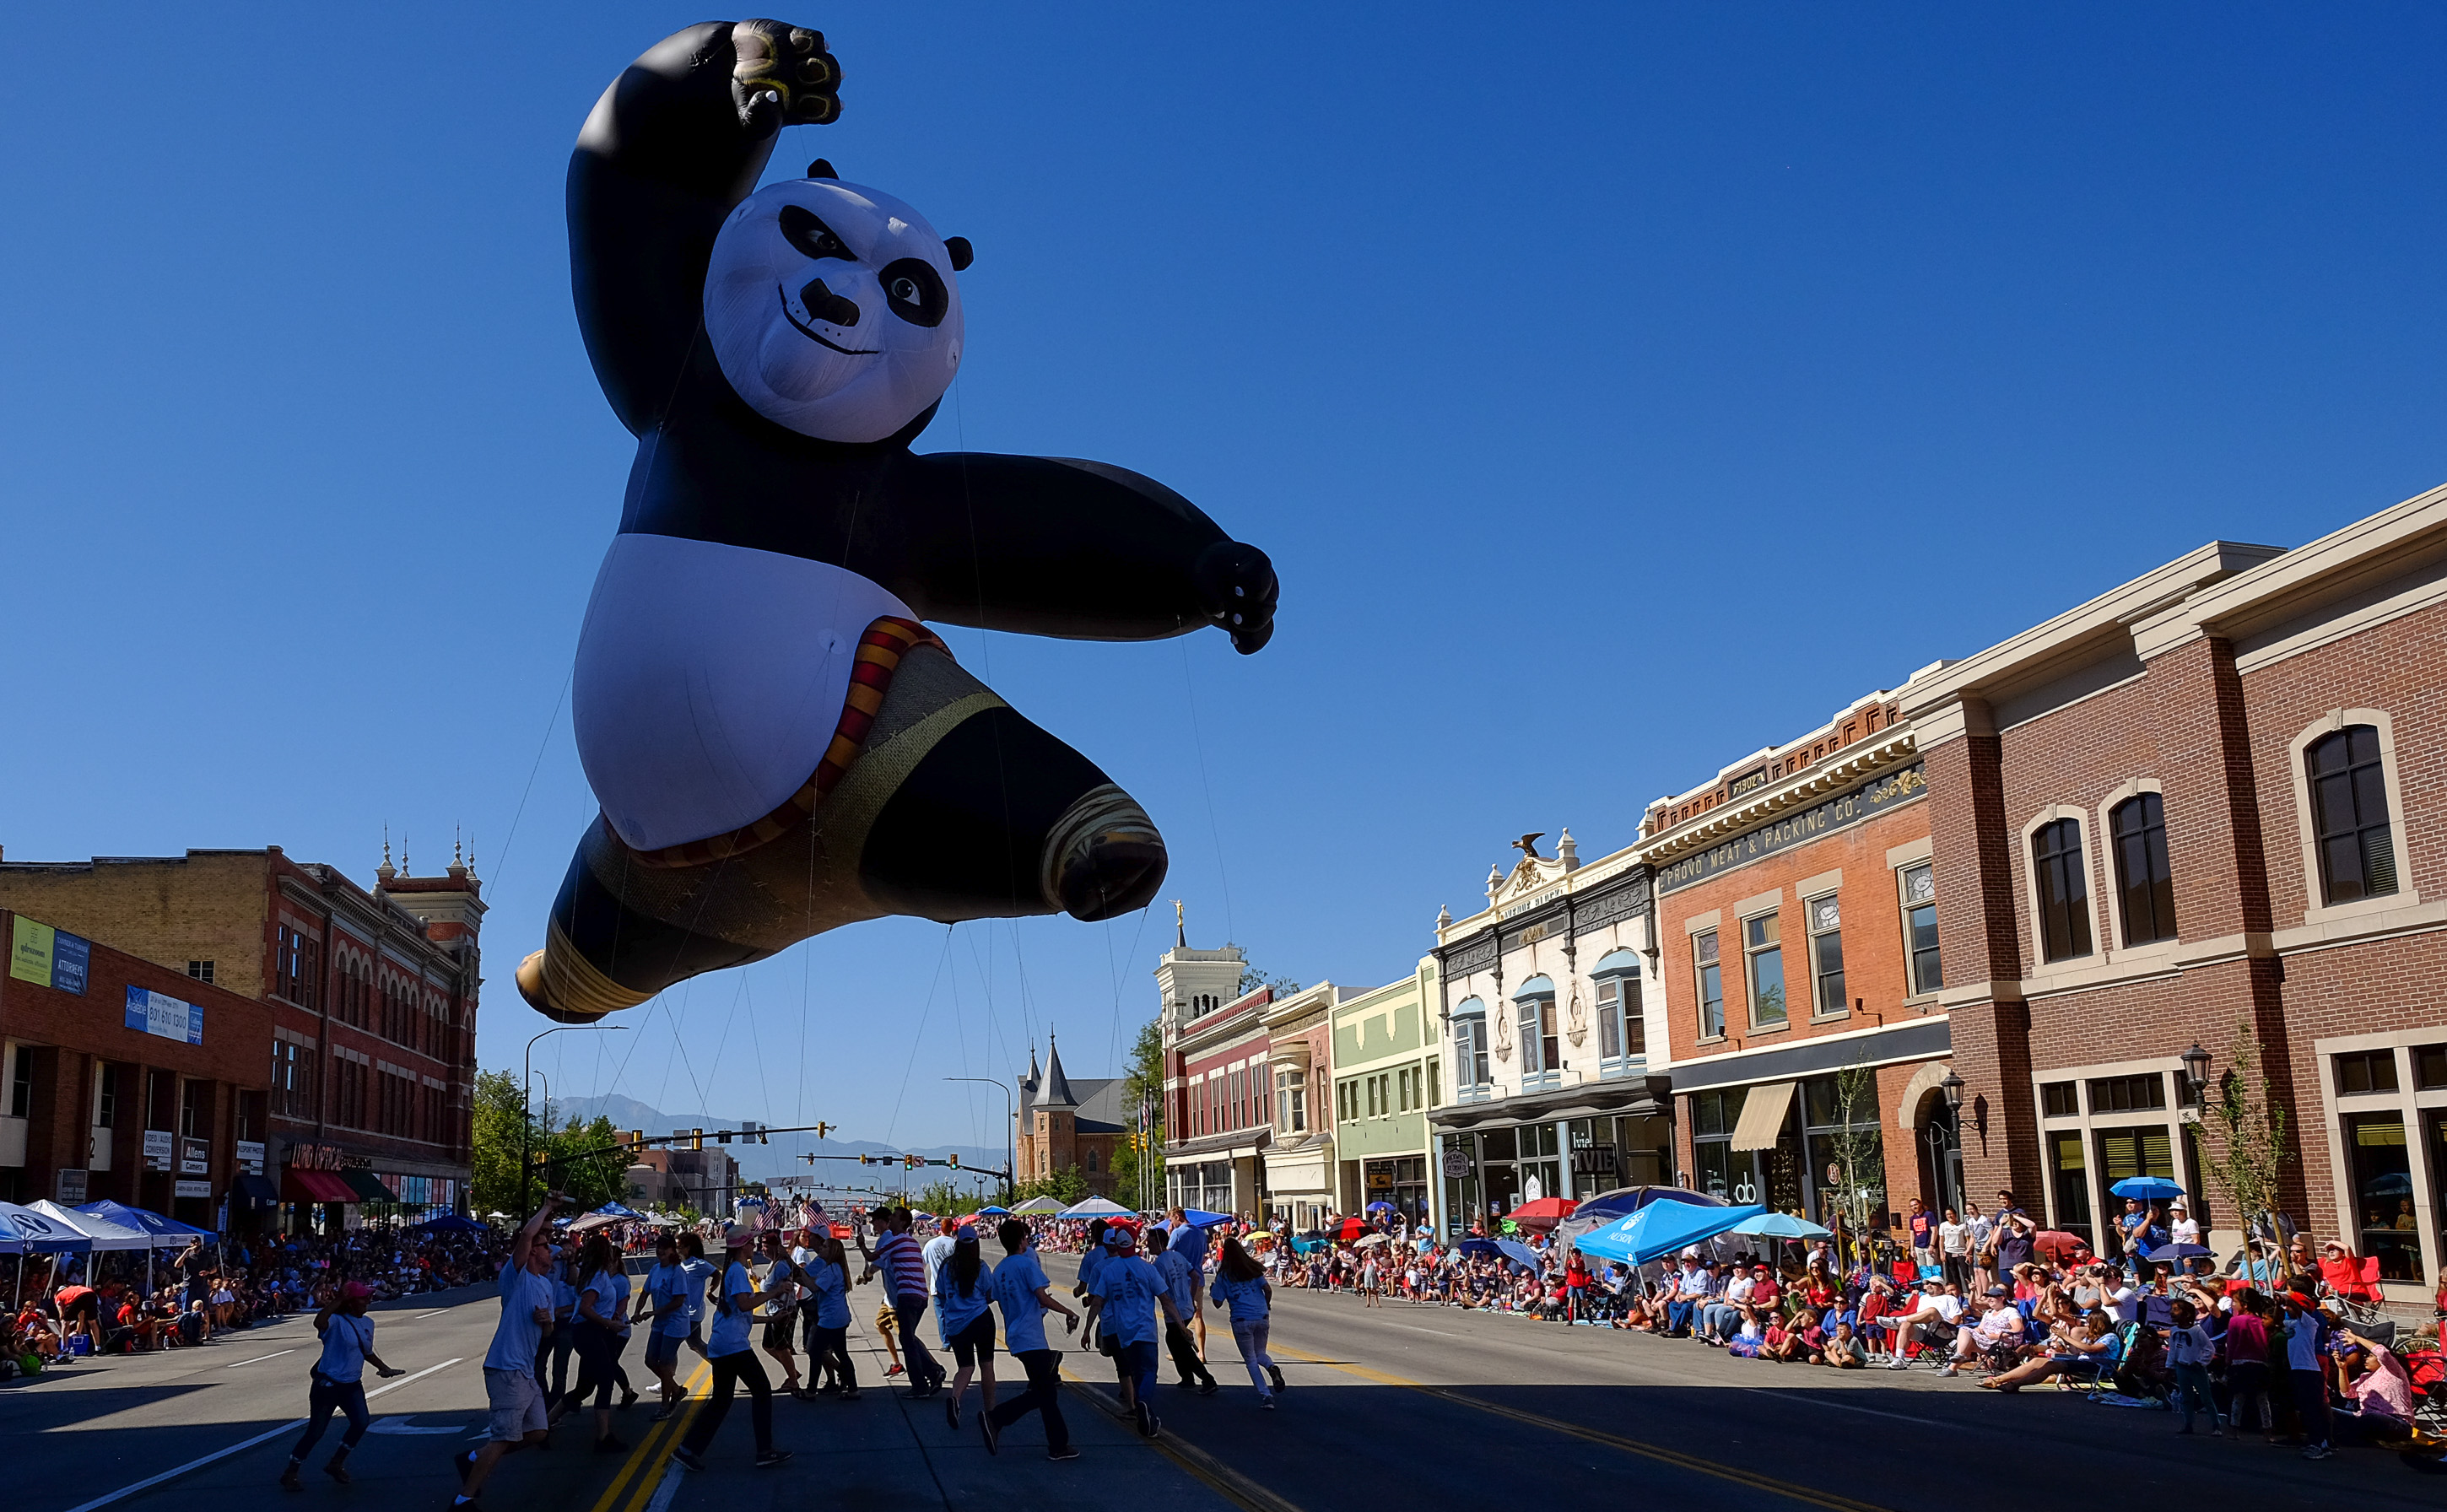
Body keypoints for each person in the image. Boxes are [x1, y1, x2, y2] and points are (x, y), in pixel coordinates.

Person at [452, 1195, 569, 1509]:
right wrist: (546, 1207)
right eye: (545, 1246)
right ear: (532, 1253)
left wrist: (545, 1323)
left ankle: (474, 1457)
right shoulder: (516, 1277)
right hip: (506, 1368)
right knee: (503, 1438)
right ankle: (464, 1499)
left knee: (538, 1432)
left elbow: (549, 1332)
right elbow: (527, 1235)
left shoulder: (545, 1285)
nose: (550, 1250)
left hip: (525, 1371)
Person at [670, 1226, 791, 1472]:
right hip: (733, 1346)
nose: (754, 1247)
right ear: (742, 1246)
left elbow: (737, 1313)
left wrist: (770, 1320)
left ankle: (687, 1449)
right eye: (751, 1243)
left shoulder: (733, 1271)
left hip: (723, 1343)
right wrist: (776, 1291)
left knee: (721, 1401)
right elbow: (745, 1304)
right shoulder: (736, 1271)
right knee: (762, 1390)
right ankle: (764, 1450)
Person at [278, 1282, 402, 1490]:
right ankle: (291, 1470)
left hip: (352, 1384)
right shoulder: (335, 1321)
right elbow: (319, 1322)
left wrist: (384, 1368)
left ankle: (336, 1462)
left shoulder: (368, 1323)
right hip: (328, 1385)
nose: (368, 1301)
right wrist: (338, 1301)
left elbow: (366, 1351)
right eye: (363, 1298)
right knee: (316, 1432)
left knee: (361, 1422)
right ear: (351, 1303)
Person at [981, 1218, 1078, 1458]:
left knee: (1044, 1391)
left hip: (1015, 1334)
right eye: (1025, 1236)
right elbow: (1042, 1298)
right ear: (1020, 1240)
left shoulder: (1000, 1269)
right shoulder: (1026, 1264)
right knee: (1043, 1392)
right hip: (1031, 1336)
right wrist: (1069, 1312)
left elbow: (989, 1297)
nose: (1028, 1240)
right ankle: (996, 1418)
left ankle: (1058, 1445)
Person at [1083, 1224, 1168, 1439]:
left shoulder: (1104, 1268)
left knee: (1127, 1368)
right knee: (1147, 1370)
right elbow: (1165, 1298)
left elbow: (1095, 1301)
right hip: (1144, 1328)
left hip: (1119, 1329)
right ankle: (1140, 1403)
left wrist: (1087, 1329)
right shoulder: (1146, 1267)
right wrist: (1180, 1324)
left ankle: (1137, 1406)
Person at [567, 1234, 632, 1455]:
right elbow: (586, 1308)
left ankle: (545, 1425)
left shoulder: (597, 1274)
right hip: (590, 1331)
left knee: (586, 1385)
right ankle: (603, 1437)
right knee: (605, 1379)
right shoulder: (597, 1277)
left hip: (595, 1332)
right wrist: (608, 1323)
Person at [874, 1208, 947, 1397]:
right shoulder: (912, 1242)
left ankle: (921, 1385)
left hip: (905, 1296)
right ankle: (933, 1372)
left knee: (907, 1341)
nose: (890, 1221)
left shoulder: (894, 1240)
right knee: (909, 1338)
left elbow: (873, 1259)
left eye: (894, 1218)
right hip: (920, 1295)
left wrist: (861, 1245)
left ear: (902, 1223)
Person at [932, 1228, 998, 1431]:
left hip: (956, 1324)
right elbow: (990, 1293)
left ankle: (955, 1398)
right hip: (981, 1319)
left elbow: (940, 1293)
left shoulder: (946, 1267)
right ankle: (990, 1412)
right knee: (986, 1365)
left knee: (965, 1366)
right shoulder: (980, 1266)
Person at [1208, 1235, 1283, 1407]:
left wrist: (1214, 1290)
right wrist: (1266, 1304)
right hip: (1261, 1316)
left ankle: (1266, 1395)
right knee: (1260, 1354)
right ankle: (1271, 1367)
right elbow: (1267, 1289)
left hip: (1241, 1319)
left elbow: (1218, 1303)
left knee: (1250, 1360)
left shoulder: (1224, 1276)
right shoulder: (1252, 1270)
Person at [1149, 1228, 1218, 1394]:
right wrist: (1191, 1295)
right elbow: (1194, 1276)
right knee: (1174, 1342)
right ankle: (1187, 1377)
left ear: (1159, 1242)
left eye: (1150, 1242)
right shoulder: (1177, 1256)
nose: (1148, 1246)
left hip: (1175, 1308)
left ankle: (1207, 1379)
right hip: (1186, 1304)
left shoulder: (1159, 1264)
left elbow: (1161, 1292)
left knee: (1181, 1345)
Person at [634, 1235, 691, 1421]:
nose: (660, 1252)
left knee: (665, 1363)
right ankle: (676, 1389)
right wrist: (637, 1311)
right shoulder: (655, 1270)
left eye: (664, 1248)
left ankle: (665, 1405)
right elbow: (645, 1292)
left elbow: (678, 1301)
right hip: (659, 1321)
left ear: (672, 1251)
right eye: (658, 1248)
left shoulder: (677, 1272)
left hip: (675, 1322)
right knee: (650, 1359)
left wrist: (655, 1311)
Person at [800, 1233, 858, 1401]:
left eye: (825, 1246)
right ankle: (852, 1388)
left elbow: (814, 1287)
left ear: (832, 1251)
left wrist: (802, 1274)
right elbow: (816, 1281)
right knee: (841, 1352)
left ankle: (811, 1391)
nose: (821, 1248)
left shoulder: (832, 1269)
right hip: (838, 1316)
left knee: (814, 1350)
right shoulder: (833, 1268)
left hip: (830, 1319)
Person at [2280, 1290, 2334, 1460]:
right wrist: (2278, 1303)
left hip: (2309, 1371)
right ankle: (2322, 1443)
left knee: (2312, 1410)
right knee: (2306, 1408)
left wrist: (2290, 1300)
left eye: (2290, 1306)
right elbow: (2277, 1320)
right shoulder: (2293, 1323)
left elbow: (2299, 1309)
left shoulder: (2309, 1322)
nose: (2288, 1308)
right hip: (2298, 1369)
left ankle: (2316, 1445)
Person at [755, 1232, 805, 1397]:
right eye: (762, 1245)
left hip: (782, 1312)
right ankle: (793, 1372)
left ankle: (793, 1380)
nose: (763, 1249)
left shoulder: (781, 1265)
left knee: (780, 1347)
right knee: (768, 1345)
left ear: (776, 1247)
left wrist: (763, 1282)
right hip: (773, 1311)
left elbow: (776, 1285)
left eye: (766, 1245)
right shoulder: (774, 1264)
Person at [2166, 1299, 2220, 1435]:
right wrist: (2170, 1366)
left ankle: (2216, 1425)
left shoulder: (2196, 1331)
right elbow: (2173, 1350)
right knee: (2186, 1397)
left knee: (2205, 1397)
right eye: (2172, 1309)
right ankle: (2188, 1424)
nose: (2172, 1312)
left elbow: (2209, 1348)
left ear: (2187, 1314)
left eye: (2176, 1310)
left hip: (2196, 1369)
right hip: (2181, 1367)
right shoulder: (2174, 1331)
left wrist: (2200, 1362)